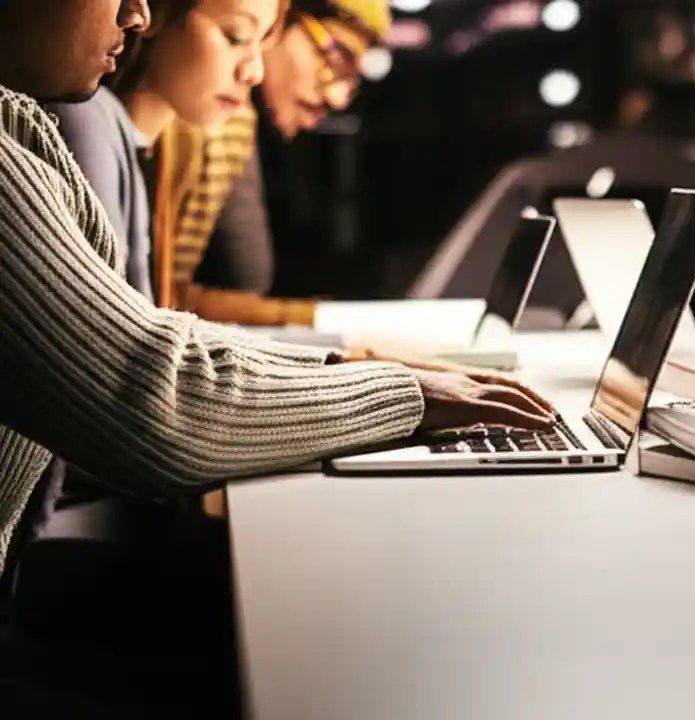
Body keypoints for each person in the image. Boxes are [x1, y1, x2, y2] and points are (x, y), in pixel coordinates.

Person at [0, 0, 556, 580]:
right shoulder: (72, 129)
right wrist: (400, 390)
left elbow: (154, 344)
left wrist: (347, 361)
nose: (138, 14)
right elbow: (153, 396)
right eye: (237, 36)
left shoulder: (47, 129)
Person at [139, 0, 390, 322]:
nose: (337, 97)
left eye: (353, 78)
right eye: (335, 57)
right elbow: (163, 302)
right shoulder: (201, 117)